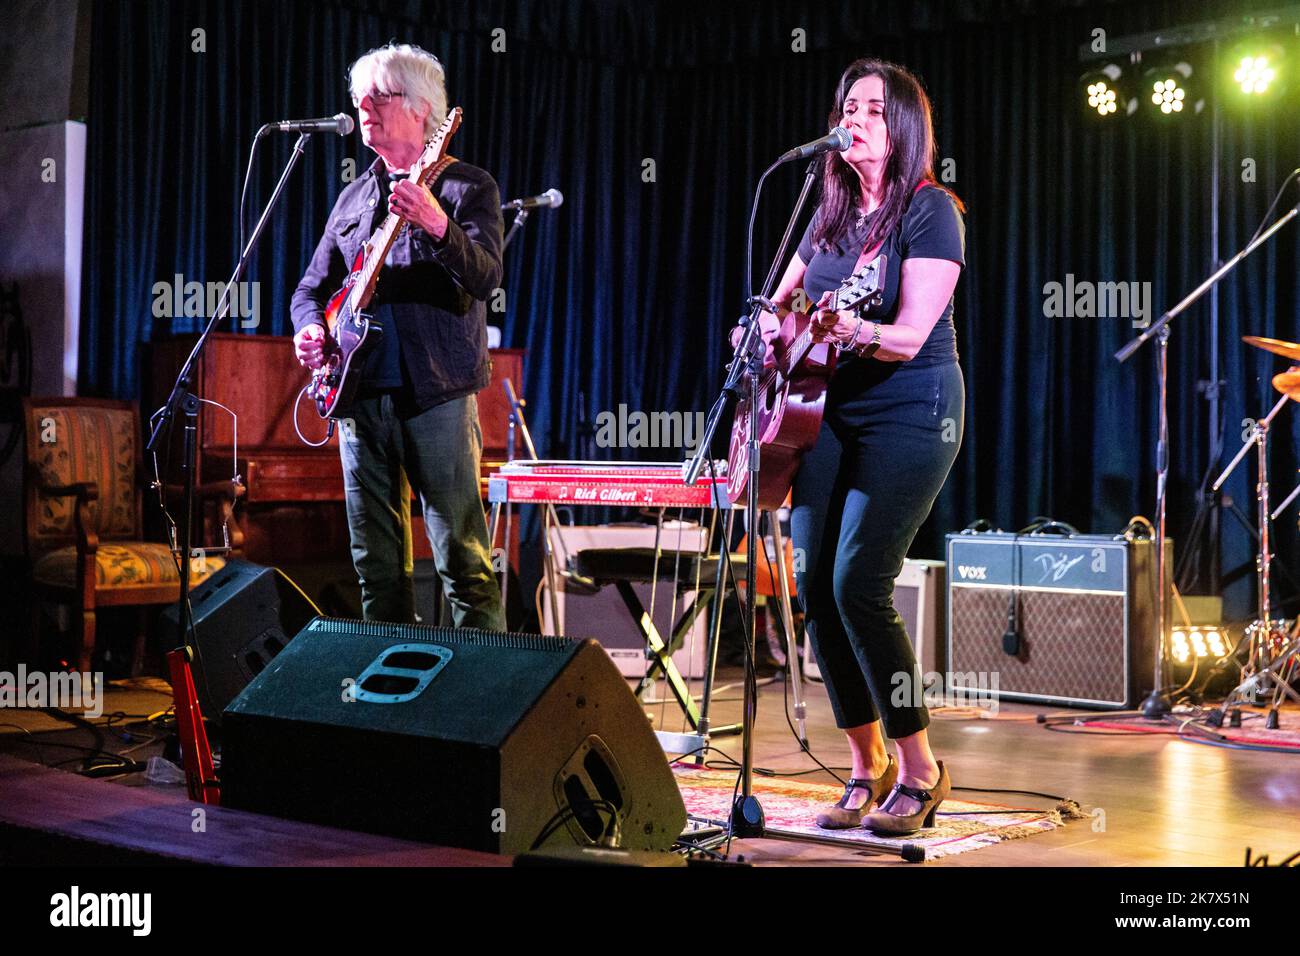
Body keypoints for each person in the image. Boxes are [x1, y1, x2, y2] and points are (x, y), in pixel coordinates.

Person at [736, 58, 966, 834]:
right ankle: (865, 767)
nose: (857, 117)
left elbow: (904, 337)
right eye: (849, 105)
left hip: (912, 407)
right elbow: (780, 299)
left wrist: (850, 326)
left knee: (858, 582)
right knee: (811, 590)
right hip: (827, 410)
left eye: (874, 107)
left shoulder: (930, 213)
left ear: (902, 125)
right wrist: (764, 326)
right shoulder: (828, 211)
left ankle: (920, 767)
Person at [291, 43, 505, 631]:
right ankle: (386, 709)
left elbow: (487, 275)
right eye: (359, 96)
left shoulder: (468, 187)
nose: (363, 106)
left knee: (463, 560)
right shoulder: (353, 198)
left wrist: (436, 221)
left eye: (379, 96)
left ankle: (482, 709)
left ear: (420, 109)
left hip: (435, 392)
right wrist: (309, 329)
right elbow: (310, 288)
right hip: (357, 395)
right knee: (377, 567)